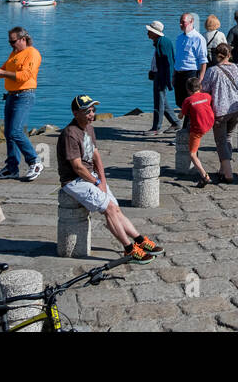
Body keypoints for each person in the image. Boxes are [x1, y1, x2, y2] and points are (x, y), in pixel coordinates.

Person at [58, 95, 163, 260]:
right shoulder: (70, 134)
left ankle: (139, 240)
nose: (91, 114)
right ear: (75, 113)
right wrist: (96, 182)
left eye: (93, 110)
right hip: (74, 181)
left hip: (91, 176)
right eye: (86, 111)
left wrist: (103, 180)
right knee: (109, 208)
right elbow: (77, 167)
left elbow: (95, 155)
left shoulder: (89, 128)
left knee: (115, 207)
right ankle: (129, 248)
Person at [0, 26, 43, 181]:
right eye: (9, 41)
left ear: (23, 39)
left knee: (16, 131)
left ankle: (34, 161)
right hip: (11, 96)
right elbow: (4, 72)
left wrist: (1, 72)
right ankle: (12, 168)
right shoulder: (15, 53)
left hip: (24, 96)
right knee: (9, 133)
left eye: (13, 41)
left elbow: (25, 76)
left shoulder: (32, 53)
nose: (11, 44)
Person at [200, 43, 238, 183]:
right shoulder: (237, 67)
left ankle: (228, 172)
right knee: (228, 137)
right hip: (236, 108)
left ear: (216, 55)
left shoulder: (212, 71)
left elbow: (204, 89)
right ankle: (223, 169)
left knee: (220, 141)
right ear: (229, 54)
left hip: (220, 110)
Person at [178, 76, 216, 187]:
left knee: (192, 154)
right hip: (210, 123)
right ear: (200, 87)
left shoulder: (188, 100)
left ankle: (205, 176)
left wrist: (181, 113)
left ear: (188, 90)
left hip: (198, 129)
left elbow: (181, 116)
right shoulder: (207, 96)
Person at [145, 20, 179, 136]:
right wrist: (153, 71)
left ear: (155, 32)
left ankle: (156, 128)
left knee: (158, 102)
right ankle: (175, 122)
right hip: (159, 75)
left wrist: (168, 80)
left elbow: (168, 62)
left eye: (149, 31)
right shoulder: (160, 41)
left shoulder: (162, 42)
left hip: (161, 76)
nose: (147, 33)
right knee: (162, 101)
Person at [173, 13, 208, 113]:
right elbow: (178, 58)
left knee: (191, 101)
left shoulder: (198, 38)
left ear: (191, 22)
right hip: (179, 72)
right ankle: (186, 123)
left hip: (191, 72)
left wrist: (200, 79)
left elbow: (203, 61)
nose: (180, 24)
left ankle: (188, 125)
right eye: (180, 22)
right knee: (179, 101)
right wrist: (174, 75)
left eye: (183, 22)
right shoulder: (179, 38)